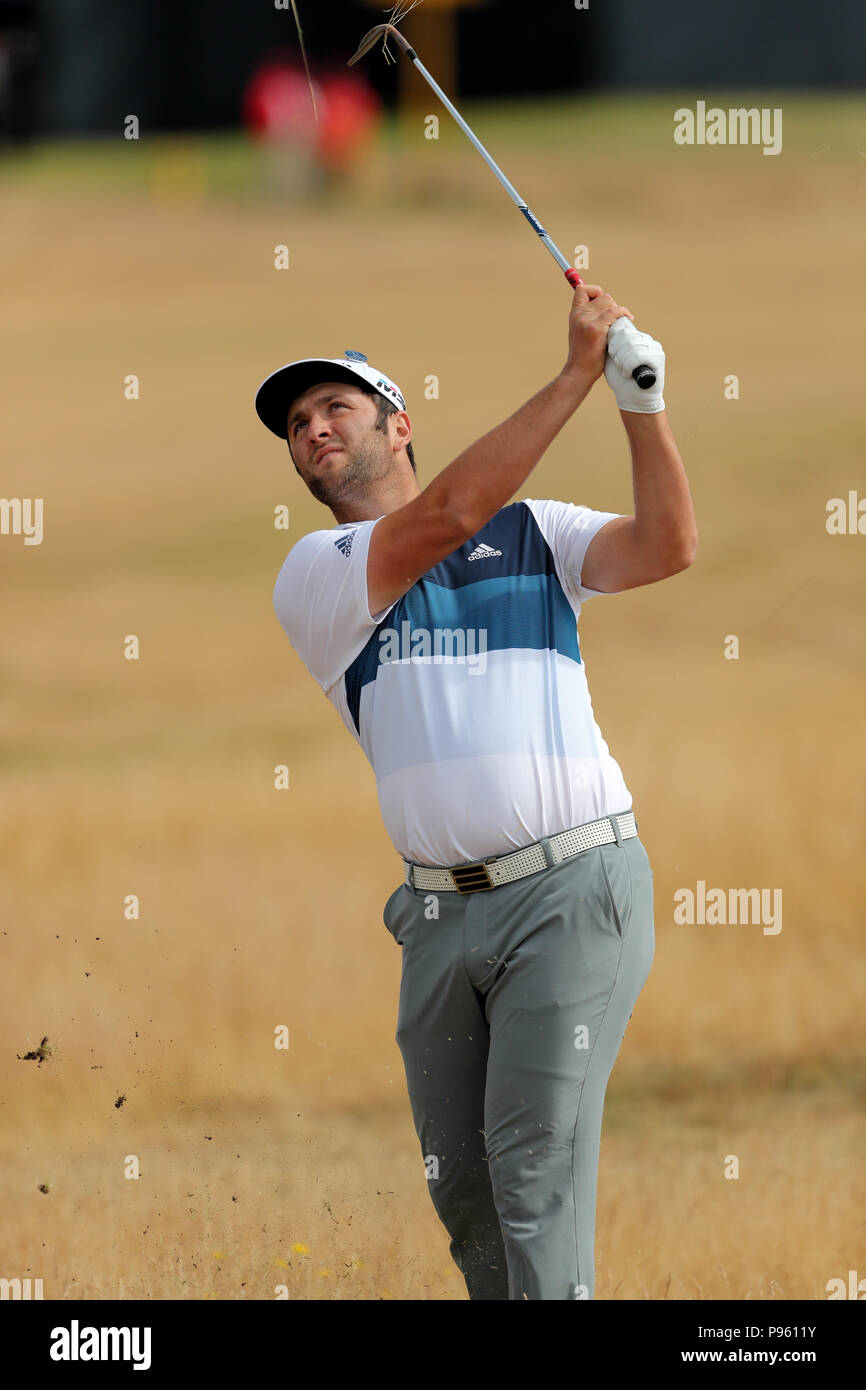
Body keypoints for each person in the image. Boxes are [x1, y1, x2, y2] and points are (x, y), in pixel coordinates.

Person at [254, 282, 697, 1300]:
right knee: (467, 1197)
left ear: (397, 425)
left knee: (532, 1171)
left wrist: (640, 403)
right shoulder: (318, 572)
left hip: (572, 886)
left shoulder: (534, 532)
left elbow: (666, 546)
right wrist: (572, 374)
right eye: (296, 422)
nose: (314, 427)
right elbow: (449, 512)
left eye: (337, 407)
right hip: (439, 918)